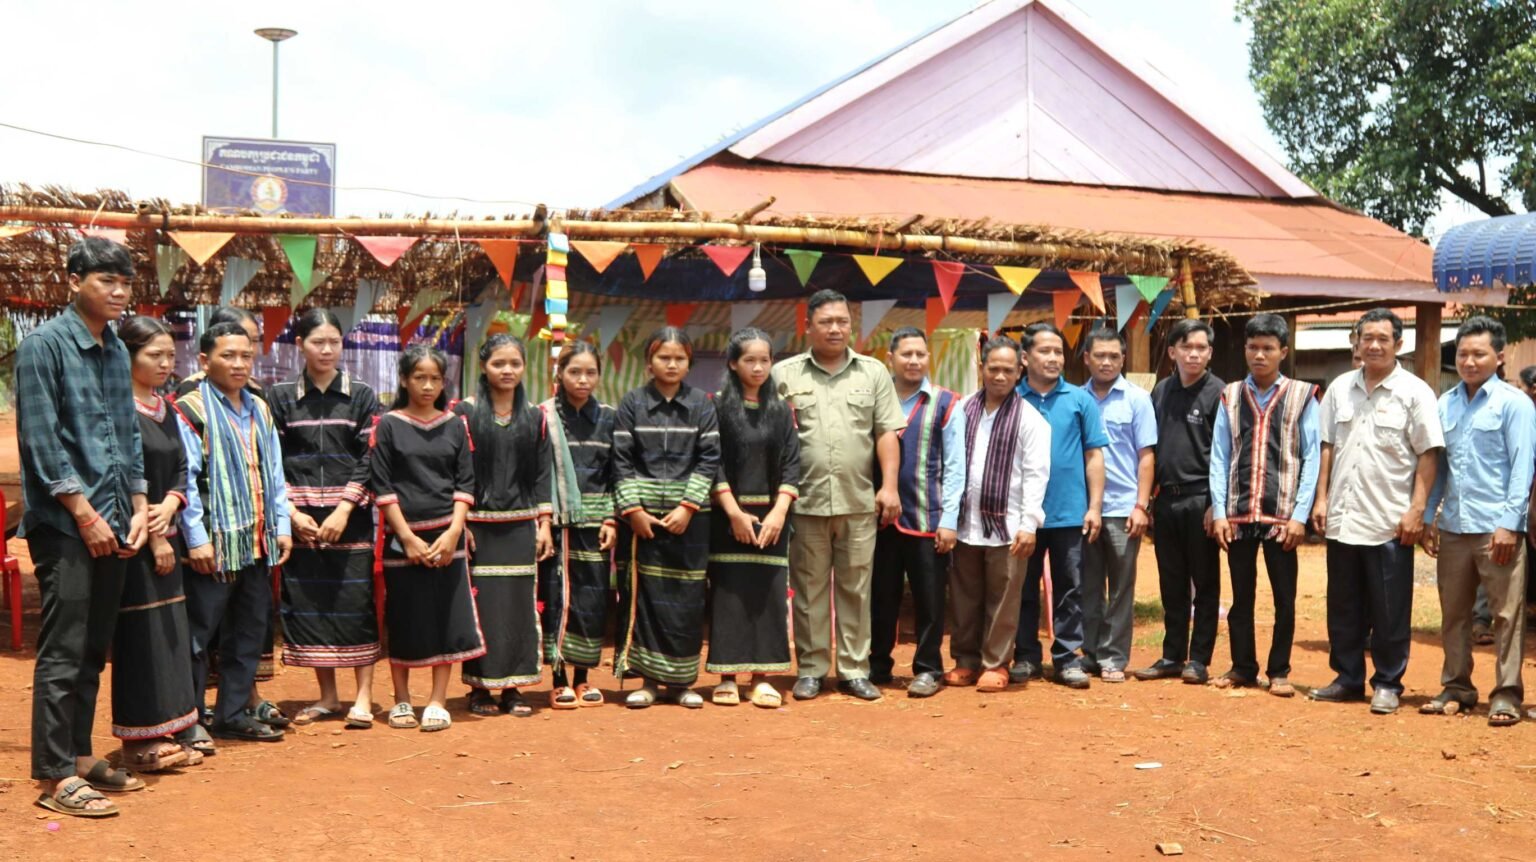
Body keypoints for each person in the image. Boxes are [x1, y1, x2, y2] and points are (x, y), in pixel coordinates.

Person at [19, 237, 150, 817]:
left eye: (125, 282)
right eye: (106, 280)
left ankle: (77, 755)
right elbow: (42, 443)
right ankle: (52, 777)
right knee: (64, 649)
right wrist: (84, 514)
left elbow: (128, 436)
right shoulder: (43, 347)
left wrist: (141, 504)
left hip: (118, 520)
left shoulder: (118, 350)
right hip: (66, 523)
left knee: (95, 647)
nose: (119, 292)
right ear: (74, 281)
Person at [774, 290, 906, 702]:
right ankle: (811, 669)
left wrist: (889, 486)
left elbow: (886, 431)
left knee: (856, 588)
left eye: (843, 321)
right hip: (804, 502)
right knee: (809, 589)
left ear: (852, 327)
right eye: (826, 321)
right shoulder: (784, 375)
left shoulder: (873, 373)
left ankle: (853, 669)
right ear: (808, 326)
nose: (835, 328)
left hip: (858, 500)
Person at [1309, 308, 1441, 715]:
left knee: (1389, 608)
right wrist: (1321, 498)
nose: (1374, 345)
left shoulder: (1415, 392)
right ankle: (1347, 677)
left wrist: (1417, 510)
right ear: (1356, 342)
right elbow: (1326, 446)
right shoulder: (1339, 388)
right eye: (1367, 337)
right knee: (1343, 605)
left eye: (1383, 338)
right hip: (1344, 517)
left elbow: (1429, 454)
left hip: (1389, 520)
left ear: (1399, 344)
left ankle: (1387, 682)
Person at [174, 322, 294, 741]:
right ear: (205, 361)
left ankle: (232, 713)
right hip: (215, 542)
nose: (239, 364)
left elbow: (274, 472)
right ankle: (188, 719)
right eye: (228, 355)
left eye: (246, 355)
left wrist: (281, 525)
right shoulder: (190, 410)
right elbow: (185, 480)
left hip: (257, 540)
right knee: (199, 633)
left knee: (248, 629)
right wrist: (197, 538)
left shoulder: (259, 408)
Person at [268, 309, 383, 729]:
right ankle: (328, 697)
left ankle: (364, 698)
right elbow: (270, 461)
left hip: (349, 518)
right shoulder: (279, 397)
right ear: (300, 345)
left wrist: (344, 508)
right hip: (301, 522)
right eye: (318, 342)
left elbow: (370, 456)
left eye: (334, 341)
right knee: (311, 604)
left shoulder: (363, 395)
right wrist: (292, 514)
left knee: (356, 604)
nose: (327, 350)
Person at [1421, 316, 1534, 726]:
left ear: (1499, 357)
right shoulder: (1445, 403)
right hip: (1453, 526)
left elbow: (1523, 467)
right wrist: (1431, 516)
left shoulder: (1515, 404)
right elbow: (1442, 467)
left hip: (1496, 529)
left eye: (1479, 353)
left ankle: (1505, 694)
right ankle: (1456, 685)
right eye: (1463, 353)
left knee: (1506, 615)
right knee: (1454, 612)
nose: (1469, 361)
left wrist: (1510, 523)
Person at [371, 345, 482, 733]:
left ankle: (437, 700)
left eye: (435, 378)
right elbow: (382, 484)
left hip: (447, 537)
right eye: (420, 377)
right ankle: (402, 699)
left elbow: (465, 482)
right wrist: (406, 536)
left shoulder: (455, 424)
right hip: (403, 539)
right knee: (404, 618)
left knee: (445, 618)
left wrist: (454, 532)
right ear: (404, 379)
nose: (428, 385)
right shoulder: (388, 424)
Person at [1208, 313, 1319, 698]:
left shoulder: (1303, 395)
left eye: (1268, 348)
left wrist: (1300, 516)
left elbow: (1312, 459)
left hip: (1282, 516)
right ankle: (1242, 666)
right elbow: (1219, 457)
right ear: (1244, 349)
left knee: (1284, 598)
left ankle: (1279, 670)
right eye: (1253, 347)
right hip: (1238, 514)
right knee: (1241, 596)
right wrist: (1220, 512)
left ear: (1283, 352)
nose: (1260, 354)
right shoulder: (1231, 395)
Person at [613, 327, 721, 709]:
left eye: (679, 358)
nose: (672, 364)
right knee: (646, 599)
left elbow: (709, 459)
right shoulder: (632, 404)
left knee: (687, 599)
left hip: (690, 521)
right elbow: (621, 461)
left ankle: (681, 683)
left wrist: (688, 507)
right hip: (643, 523)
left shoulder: (703, 404)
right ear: (649, 362)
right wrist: (635, 512)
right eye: (664, 357)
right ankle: (648, 682)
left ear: (689, 362)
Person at [111, 317, 199, 773]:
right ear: (127, 356)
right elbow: (122, 474)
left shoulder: (167, 407)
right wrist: (156, 533)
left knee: (169, 633)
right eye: (154, 355)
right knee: (139, 636)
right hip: (135, 537)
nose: (166, 363)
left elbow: (183, 466)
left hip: (166, 524)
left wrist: (171, 504)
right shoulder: (117, 410)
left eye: (170, 355)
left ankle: (170, 724)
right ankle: (136, 738)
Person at [455, 334, 554, 717]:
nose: (507, 370)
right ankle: (479, 689)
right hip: (477, 527)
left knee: (518, 607)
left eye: (515, 363)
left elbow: (542, 476)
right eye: (499, 363)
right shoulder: (464, 413)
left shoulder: (535, 418)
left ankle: (513, 686)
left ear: (524, 367)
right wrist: (460, 523)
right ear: (483, 367)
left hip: (521, 526)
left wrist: (544, 523)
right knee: (481, 608)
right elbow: (456, 473)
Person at [945, 336, 1051, 693]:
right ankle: (965, 660)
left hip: (1007, 526)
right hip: (965, 524)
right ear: (982, 368)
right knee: (964, 595)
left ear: (1020, 371)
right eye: (994, 369)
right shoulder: (962, 410)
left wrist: (1029, 524)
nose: (1001, 376)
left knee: (1004, 598)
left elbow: (1037, 474)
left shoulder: (1030, 419)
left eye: (1009, 370)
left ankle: (996, 663)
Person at [706, 328, 801, 709]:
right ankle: (727, 676)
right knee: (728, 596)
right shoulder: (715, 407)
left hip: (773, 519)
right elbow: (711, 464)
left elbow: (793, 465)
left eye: (765, 360)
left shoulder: (782, 410)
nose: (759, 367)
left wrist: (779, 512)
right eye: (750, 360)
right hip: (727, 517)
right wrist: (733, 513)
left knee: (768, 595)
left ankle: (762, 678)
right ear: (733, 363)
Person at [869, 328, 964, 698]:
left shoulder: (945, 402)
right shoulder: (876, 401)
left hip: (928, 519)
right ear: (890, 358)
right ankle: (877, 664)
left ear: (929, 359)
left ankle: (928, 668)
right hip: (878, 519)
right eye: (906, 354)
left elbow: (956, 467)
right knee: (880, 595)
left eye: (920, 354)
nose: (914, 360)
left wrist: (949, 521)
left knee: (930, 598)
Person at [1014, 322, 1107, 689]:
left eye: (1058, 351)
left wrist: (1094, 506)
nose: (1053, 358)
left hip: (1070, 512)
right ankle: (1025, 656)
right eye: (1044, 351)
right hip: (1022, 514)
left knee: (1072, 587)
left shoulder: (1080, 399)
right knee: (1022, 588)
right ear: (1025, 357)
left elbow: (1094, 455)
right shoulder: (1012, 398)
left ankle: (1068, 657)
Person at [1133, 319, 1224, 685]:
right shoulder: (1160, 391)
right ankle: (1172, 655)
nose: (1194, 354)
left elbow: (1225, 454)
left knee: (1204, 583)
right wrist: (1148, 502)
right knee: (1171, 582)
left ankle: (1199, 660)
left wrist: (1217, 504)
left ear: (1210, 353)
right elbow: (1151, 450)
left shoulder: (1220, 393)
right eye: (1187, 347)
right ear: (1172, 351)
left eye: (1201, 348)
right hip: (1166, 501)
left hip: (1202, 499)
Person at [539, 342, 618, 708]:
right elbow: (538, 475)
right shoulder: (543, 417)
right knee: (557, 598)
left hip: (596, 524)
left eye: (590, 372)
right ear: (559, 374)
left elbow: (616, 473)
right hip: (555, 525)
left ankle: (584, 677)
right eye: (574, 372)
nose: (583, 380)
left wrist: (611, 519)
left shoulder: (610, 418)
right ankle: (557, 678)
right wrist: (543, 522)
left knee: (592, 598)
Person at [1080, 326, 1156, 683]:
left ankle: (1113, 657)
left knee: (1121, 587)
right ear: (1086, 359)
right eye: (1100, 356)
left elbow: (1146, 456)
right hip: (1084, 509)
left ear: (1123, 359)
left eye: (1114, 356)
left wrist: (1141, 505)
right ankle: (1090, 653)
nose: (1107, 362)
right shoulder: (1075, 399)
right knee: (1088, 586)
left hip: (1124, 509)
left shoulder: (1138, 399)